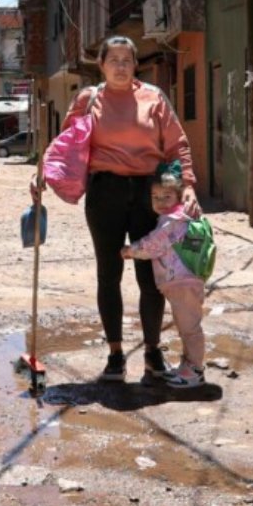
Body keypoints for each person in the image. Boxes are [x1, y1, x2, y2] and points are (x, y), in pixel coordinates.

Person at [37, 35, 200, 382]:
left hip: (149, 194)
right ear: (102, 65)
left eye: (127, 60)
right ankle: (115, 354)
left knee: (150, 277)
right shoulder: (88, 99)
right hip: (105, 194)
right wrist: (42, 175)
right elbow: (66, 145)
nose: (121, 67)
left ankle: (153, 351)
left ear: (135, 65)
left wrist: (187, 185)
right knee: (108, 274)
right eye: (114, 60)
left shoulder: (153, 98)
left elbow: (177, 145)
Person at [121, 161, 207, 388]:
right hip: (183, 280)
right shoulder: (177, 217)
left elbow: (153, 245)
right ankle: (188, 366)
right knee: (186, 326)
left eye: (166, 196)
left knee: (190, 328)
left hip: (182, 281)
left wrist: (131, 251)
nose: (160, 202)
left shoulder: (172, 221)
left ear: (179, 196)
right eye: (155, 197)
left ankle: (195, 371)